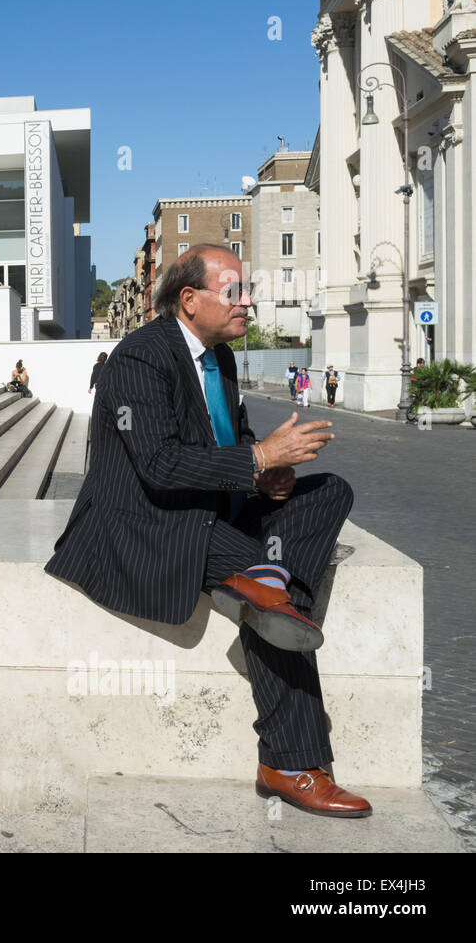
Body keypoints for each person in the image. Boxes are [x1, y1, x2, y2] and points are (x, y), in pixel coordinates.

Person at [45, 243, 370, 818]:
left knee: (332, 491)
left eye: (248, 291)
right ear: (190, 299)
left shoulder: (219, 358)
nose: (248, 302)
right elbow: (159, 465)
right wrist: (256, 460)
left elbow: (229, 445)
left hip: (212, 507)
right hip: (149, 521)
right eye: (234, 291)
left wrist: (263, 474)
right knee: (280, 615)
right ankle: (290, 762)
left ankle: (266, 580)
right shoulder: (140, 359)